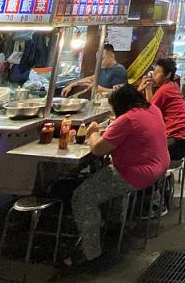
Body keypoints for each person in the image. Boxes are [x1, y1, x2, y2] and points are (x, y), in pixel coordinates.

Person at [66, 84, 168, 267]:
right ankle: (114, 225)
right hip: (159, 166)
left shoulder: (127, 119)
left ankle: (90, 252)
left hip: (136, 173)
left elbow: (97, 149)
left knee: (82, 197)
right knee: (105, 175)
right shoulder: (152, 109)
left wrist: (92, 133)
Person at [140, 57, 185, 161]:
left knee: (143, 153)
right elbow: (152, 107)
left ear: (168, 75)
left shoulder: (163, 90)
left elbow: (149, 112)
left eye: (157, 73)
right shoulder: (173, 85)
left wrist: (144, 89)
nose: (154, 76)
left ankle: (160, 175)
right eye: (154, 72)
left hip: (177, 140)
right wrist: (148, 88)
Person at [63, 43, 127, 97]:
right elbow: (93, 77)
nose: (99, 62)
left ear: (112, 56)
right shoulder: (103, 68)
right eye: (98, 60)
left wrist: (97, 88)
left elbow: (119, 93)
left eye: (102, 59)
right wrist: (72, 84)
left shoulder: (119, 70)